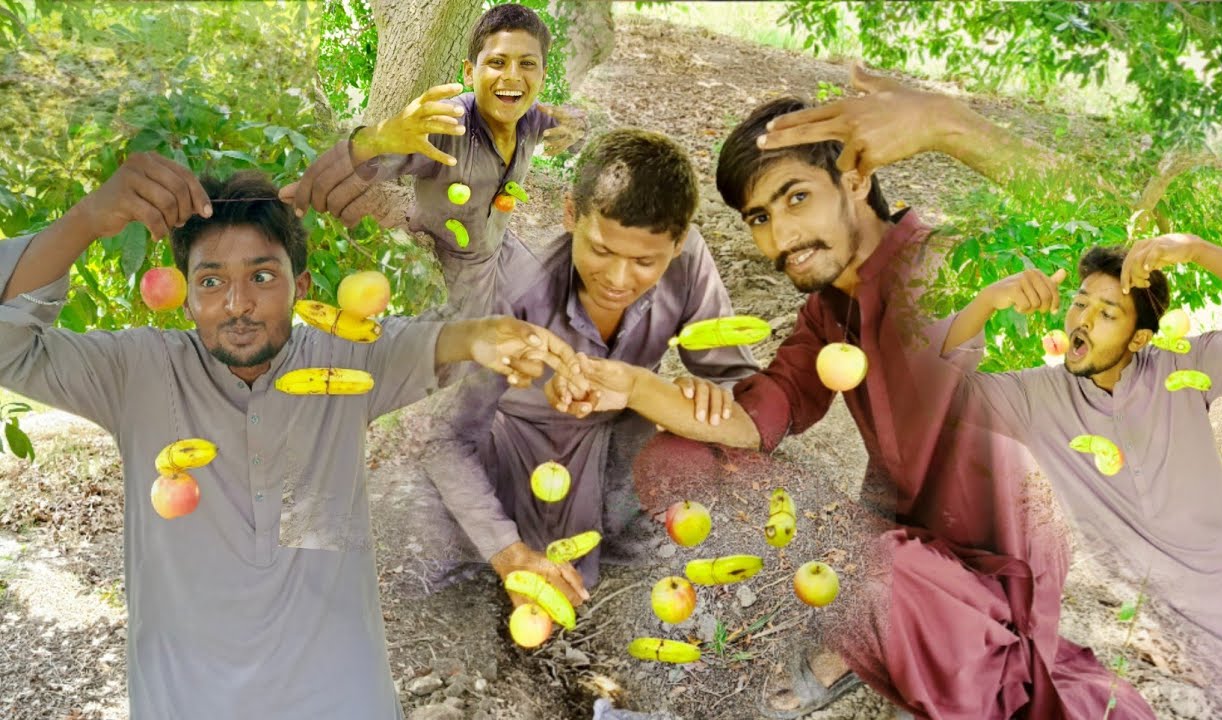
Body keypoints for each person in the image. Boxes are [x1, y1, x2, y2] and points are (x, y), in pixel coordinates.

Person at [552, 67, 1154, 718]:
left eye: (796, 198)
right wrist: (629, 383)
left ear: (856, 177)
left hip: (994, 566)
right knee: (679, 459)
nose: (780, 237)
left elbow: (1121, 229)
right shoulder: (829, 311)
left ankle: (939, 643)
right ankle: (866, 630)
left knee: (889, 586)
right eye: (760, 216)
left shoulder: (949, 263)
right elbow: (758, 421)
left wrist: (944, 124)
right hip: (894, 539)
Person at [0, 153, 586, 719]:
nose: (238, 304)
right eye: (210, 281)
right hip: (187, 700)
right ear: (184, 296)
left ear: (301, 286)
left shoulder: (347, 360)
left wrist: (491, 337)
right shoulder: (135, 373)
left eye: (261, 276)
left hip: (342, 695)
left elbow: (452, 340)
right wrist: (85, 220)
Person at [939, 236, 1222, 719]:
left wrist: (1196, 250)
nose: (1082, 319)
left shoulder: (1185, 368)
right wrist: (987, 301)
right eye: (1080, 303)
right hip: (1158, 629)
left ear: (1138, 338)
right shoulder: (1035, 398)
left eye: (1106, 313)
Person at [415, 129, 758, 605]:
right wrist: (506, 551)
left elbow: (739, 389)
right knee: (467, 557)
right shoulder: (516, 285)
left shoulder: (688, 259)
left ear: (678, 243)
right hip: (515, 447)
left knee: (710, 442)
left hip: (617, 442)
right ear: (571, 215)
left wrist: (702, 388)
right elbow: (444, 439)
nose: (618, 280)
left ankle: (623, 541)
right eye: (600, 250)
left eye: (644, 261)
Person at [282, 3, 586, 322]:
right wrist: (376, 138)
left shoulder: (534, 117)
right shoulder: (446, 124)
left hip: (501, 250)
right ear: (470, 72)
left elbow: (572, 127)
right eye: (497, 62)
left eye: (527, 63)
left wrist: (577, 125)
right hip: (447, 270)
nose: (512, 76)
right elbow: (369, 161)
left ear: (542, 74)